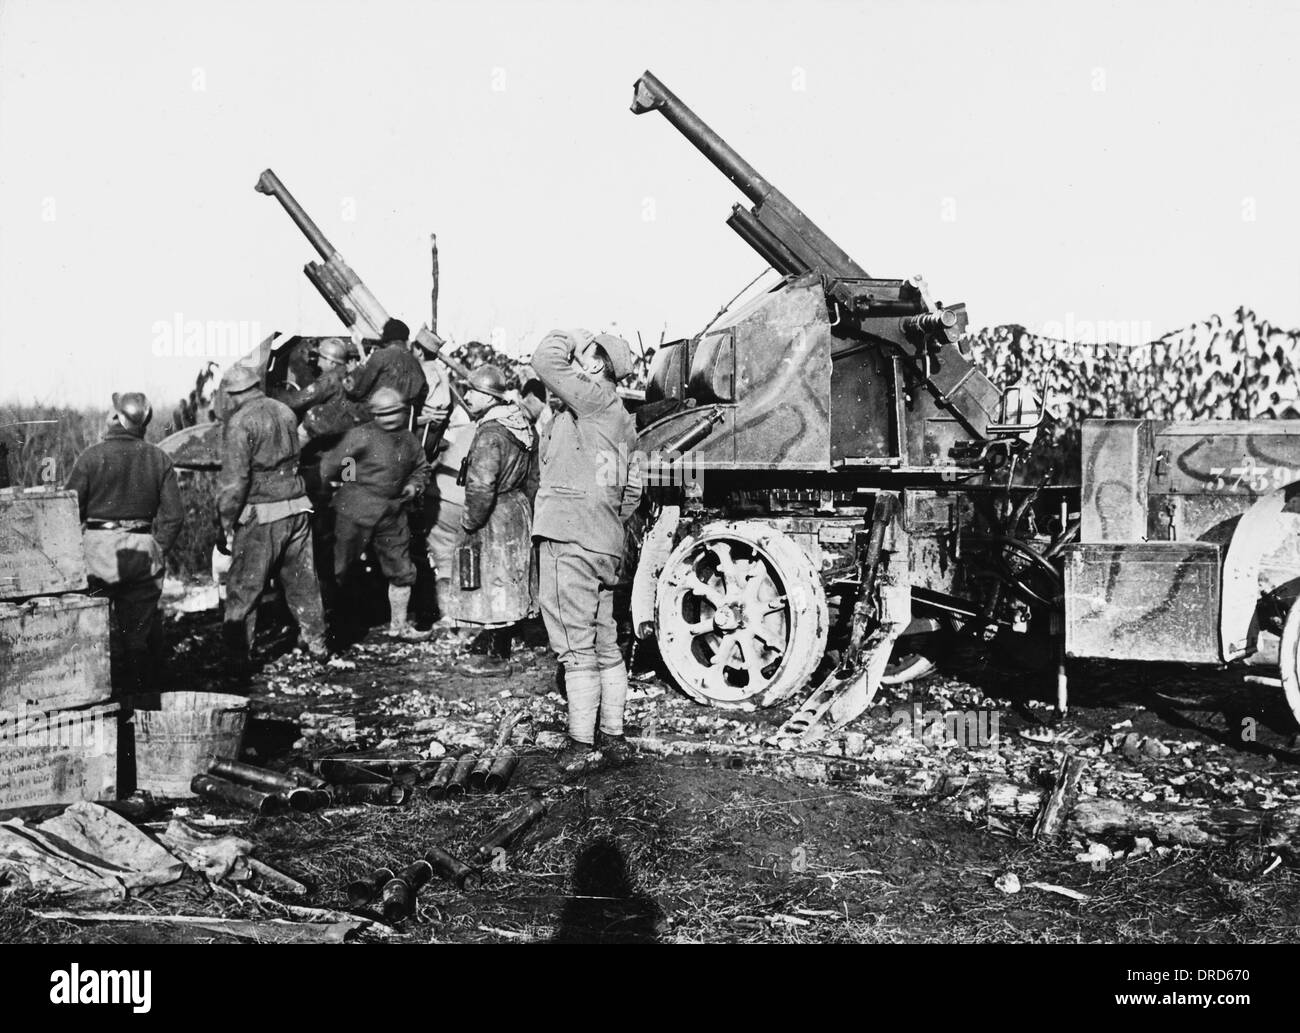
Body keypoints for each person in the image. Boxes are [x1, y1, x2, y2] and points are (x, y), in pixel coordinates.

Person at [531, 329, 642, 770]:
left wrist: (567, 336)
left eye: (585, 356)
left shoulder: (592, 397)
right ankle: (613, 737)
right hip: (605, 542)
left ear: (597, 366)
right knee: (605, 643)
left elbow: (544, 359)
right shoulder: (623, 419)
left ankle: (581, 746)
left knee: (575, 648)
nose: (578, 362)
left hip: (569, 537)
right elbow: (632, 489)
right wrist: (606, 518)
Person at [65, 392, 183, 696]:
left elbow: (67, 513)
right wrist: (157, 548)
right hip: (144, 548)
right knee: (138, 637)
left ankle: (98, 697)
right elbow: (174, 516)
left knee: (96, 629)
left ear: (117, 417)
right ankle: (140, 701)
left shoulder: (91, 457)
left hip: (98, 549)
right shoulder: (159, 458)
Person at [217, 365, 329, 676]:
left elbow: (234, 483)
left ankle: (236, 660)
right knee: (304, 582)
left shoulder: (239, 422)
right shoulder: (284, 411)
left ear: (233, 393)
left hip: (262, 513)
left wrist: (225, 522)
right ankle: (318, 645)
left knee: (244, 587)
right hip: (297, 508)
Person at [441, 364, 539, 665]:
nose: (468, 396)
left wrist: (470, 520)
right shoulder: (520, 423)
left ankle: (497, 649)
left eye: (474, 392)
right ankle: (502, 637)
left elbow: (481, 484)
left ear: (488, 397)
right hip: (516, 508)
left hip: (494, 511)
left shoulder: (490, 433)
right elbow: (533, 475)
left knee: (492, 576)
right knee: (510, 575)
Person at [321, 386, 431, 641]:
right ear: (374, 414)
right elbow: (333, 464)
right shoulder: (360, 435)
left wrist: (413, 486)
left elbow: (421, 468)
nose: (391, 418)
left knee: (402, 568)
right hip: (355, 510)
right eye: (384, 413)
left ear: (405, 412)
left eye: (396, 412)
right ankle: (320, 629)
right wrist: (348, 483)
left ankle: (399, 625)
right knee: (336, 568)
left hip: (392, 511)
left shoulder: (409, 439)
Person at [343, 318, 428, 415]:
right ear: (405, 339)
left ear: (386, 338)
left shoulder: (380, 356)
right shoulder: (415, 362)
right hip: (403, 420)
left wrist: (352, 372)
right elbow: (423, 391)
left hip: (376, 418)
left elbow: (355, 390)